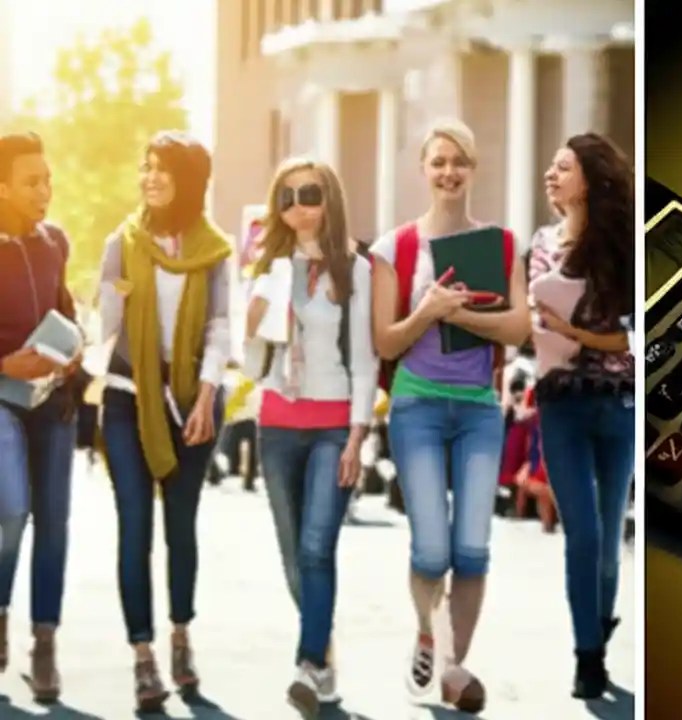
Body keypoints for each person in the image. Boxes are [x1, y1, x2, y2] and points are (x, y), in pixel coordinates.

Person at [370, 118, 529, 712]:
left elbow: (518, 328)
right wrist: (428, 311)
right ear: (423, 169)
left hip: (479, 409)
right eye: (438, 161)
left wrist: (460, 316)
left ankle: (453, 665)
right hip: (416, 406)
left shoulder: (501, 244)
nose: (449, 172)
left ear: (473, 169)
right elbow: (386, 341)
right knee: (432, 551)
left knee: (472, 550)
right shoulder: (395, 248)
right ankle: (426, 631)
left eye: (459, 161)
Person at [97, 130, 233, 712]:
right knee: (135, 525)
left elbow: (221, 326)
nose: (150, 177)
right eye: (146, 166)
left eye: (163, 168)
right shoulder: (122, 243)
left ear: (190, 180)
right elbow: (107, 328)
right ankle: (143, 655)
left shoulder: (214, 249)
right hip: (128, 397)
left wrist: (206, 397)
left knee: (181, 524)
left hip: (193, 400)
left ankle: (180, 636)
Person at [244, 156, 376, 716]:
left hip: (332, 425)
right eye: (288, 197)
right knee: (294, 557)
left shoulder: (355, 269)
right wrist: (253, 319)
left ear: (329, 201)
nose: (299, 206)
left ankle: (306, 663)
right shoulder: (268, 267)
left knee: (318, 547)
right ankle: (324, 656)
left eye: (310, 194)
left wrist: (357, 437)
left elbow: (366, 360)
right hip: (277, 423)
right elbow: (251, 360)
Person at [528, 133, 635, 699]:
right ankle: (587, 656)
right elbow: (536, 320)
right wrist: (563, 333)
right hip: (560, 402)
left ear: (590, 179)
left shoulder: (624, 245)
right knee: (584, 533)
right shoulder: (542, 244)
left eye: (563, 166)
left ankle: (598, 625)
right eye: (551, 165)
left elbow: (632, 338)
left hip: (620, 402)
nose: (551, 174)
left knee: (610, 534)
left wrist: (575, 332)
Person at [0, 131, 83, 704]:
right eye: (31, 182)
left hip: (54, 403)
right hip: (2, 399)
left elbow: (65, 308)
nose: (44, 191)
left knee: (54, 521)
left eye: (48, 180)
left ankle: (45, 643)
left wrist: (75, 349)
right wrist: (7, 364)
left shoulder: (55, 242)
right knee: (11, 509)